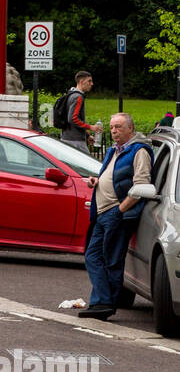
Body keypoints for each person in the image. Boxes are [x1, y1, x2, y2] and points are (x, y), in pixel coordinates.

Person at [79, 112, 154, 320]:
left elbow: (141, 186)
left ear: (130, 128)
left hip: (117, 213)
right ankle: (102, 301)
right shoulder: (114, 150)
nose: (113, 131)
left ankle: (103, 304)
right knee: (93, 256)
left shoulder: (139, 151)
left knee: (111, 260)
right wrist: (97, 180)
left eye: (119, 127)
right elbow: (112, 177)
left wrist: (120, 210)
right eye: (112, 127)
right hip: (102, 213)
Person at [59, 70, 102, 154]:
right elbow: (73, 119)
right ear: (81, 81)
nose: (92, 84)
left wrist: (87, 135)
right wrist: (90, 127)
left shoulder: (70, 94)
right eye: (89, 81)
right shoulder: (78, 97)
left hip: (67, 138)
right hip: (75, 141)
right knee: (88, 165)